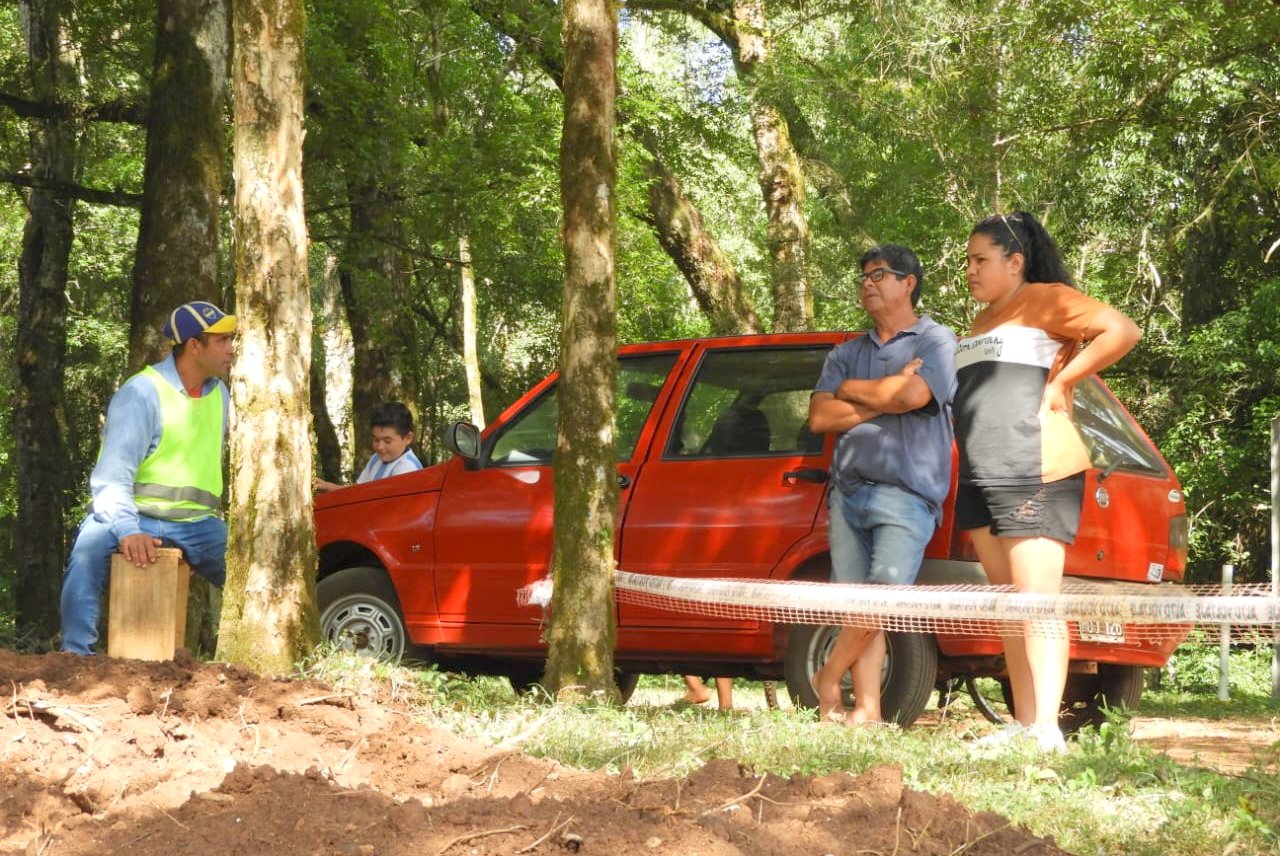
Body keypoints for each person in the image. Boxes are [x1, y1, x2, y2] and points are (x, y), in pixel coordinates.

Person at [957, 211, 1140, 753]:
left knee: (1038, 602)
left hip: (1033, 467)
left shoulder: (1044, 297)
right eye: (968, 260)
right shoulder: (981, 319)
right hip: (981, 472)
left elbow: (1121, 329)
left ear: (1015, 263)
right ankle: (1025, 724)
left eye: (980, 260)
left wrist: (1065, 379)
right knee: (1011, 603)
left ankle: (1046, 732)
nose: (970, 270)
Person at [808, 244, 958, 726]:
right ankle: (867, 709)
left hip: (907, 493)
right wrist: (884, 396)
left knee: (883, 598)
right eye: (863, 278)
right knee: (855, 603)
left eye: (879, 275)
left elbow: (916, 395)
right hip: (847, 492)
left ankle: (828, 677)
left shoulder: (935, 341)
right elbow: (819, 417)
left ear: (908, 282)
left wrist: (855, 390)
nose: (867, 284)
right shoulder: (846, 352)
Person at [60, 301, 237, 655]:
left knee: (248, 573)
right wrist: (128, 530)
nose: (232, 348)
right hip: (133, 514)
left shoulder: (221, 393)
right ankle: (75, 657)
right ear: (194, 346)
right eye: (223, 340)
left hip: (197, 523)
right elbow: (111, 478)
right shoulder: (141, 393)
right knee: (85, 558)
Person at [313, 402, 423, 493]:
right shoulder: (376, 459)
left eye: (387, 441)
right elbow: (358, 491)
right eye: (376, 439)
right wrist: (327, 486)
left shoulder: (408, 468)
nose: (380, 447)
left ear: (408, 438)